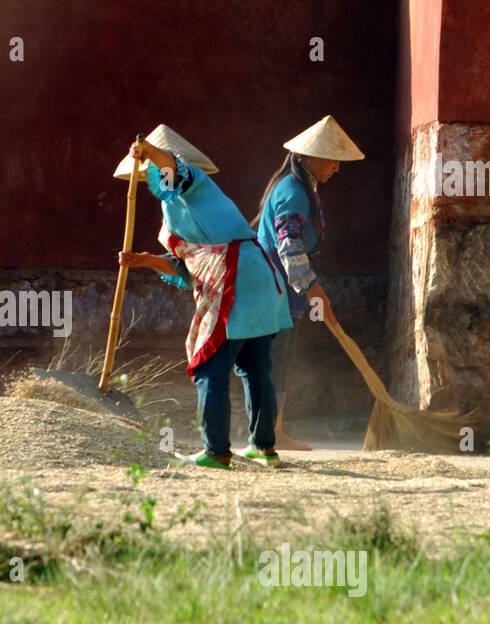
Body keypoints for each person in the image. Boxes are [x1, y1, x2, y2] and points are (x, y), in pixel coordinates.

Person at [116, 125, 291, 469]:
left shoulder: (193, 183)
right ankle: (264, 447)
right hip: (255, 279)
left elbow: (173, 169)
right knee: (255, 366)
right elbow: (187, 268)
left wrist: (150, 153)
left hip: (235, 279)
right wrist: (144, 261)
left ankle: (216, 451)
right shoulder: (177, 211)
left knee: (211, 366)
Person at [253, 115, 365, 451]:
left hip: (279, 290)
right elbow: (289, 247)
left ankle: (273, 430)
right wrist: (313, 289)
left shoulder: (298, 188)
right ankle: (269, 434)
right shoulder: (292, 191)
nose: (336, 168)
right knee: (275, 358)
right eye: (331, 159)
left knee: (278, 359)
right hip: (275, 290)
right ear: (306, 158)